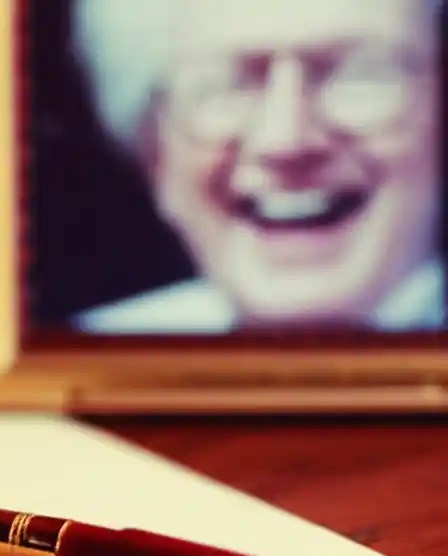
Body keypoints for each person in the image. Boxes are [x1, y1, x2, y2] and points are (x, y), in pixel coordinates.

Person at [70, 0, 443, 334]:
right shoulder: (64, 378)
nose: (285, 140)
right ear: (155, 154)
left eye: (358, 75)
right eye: (225, 86)